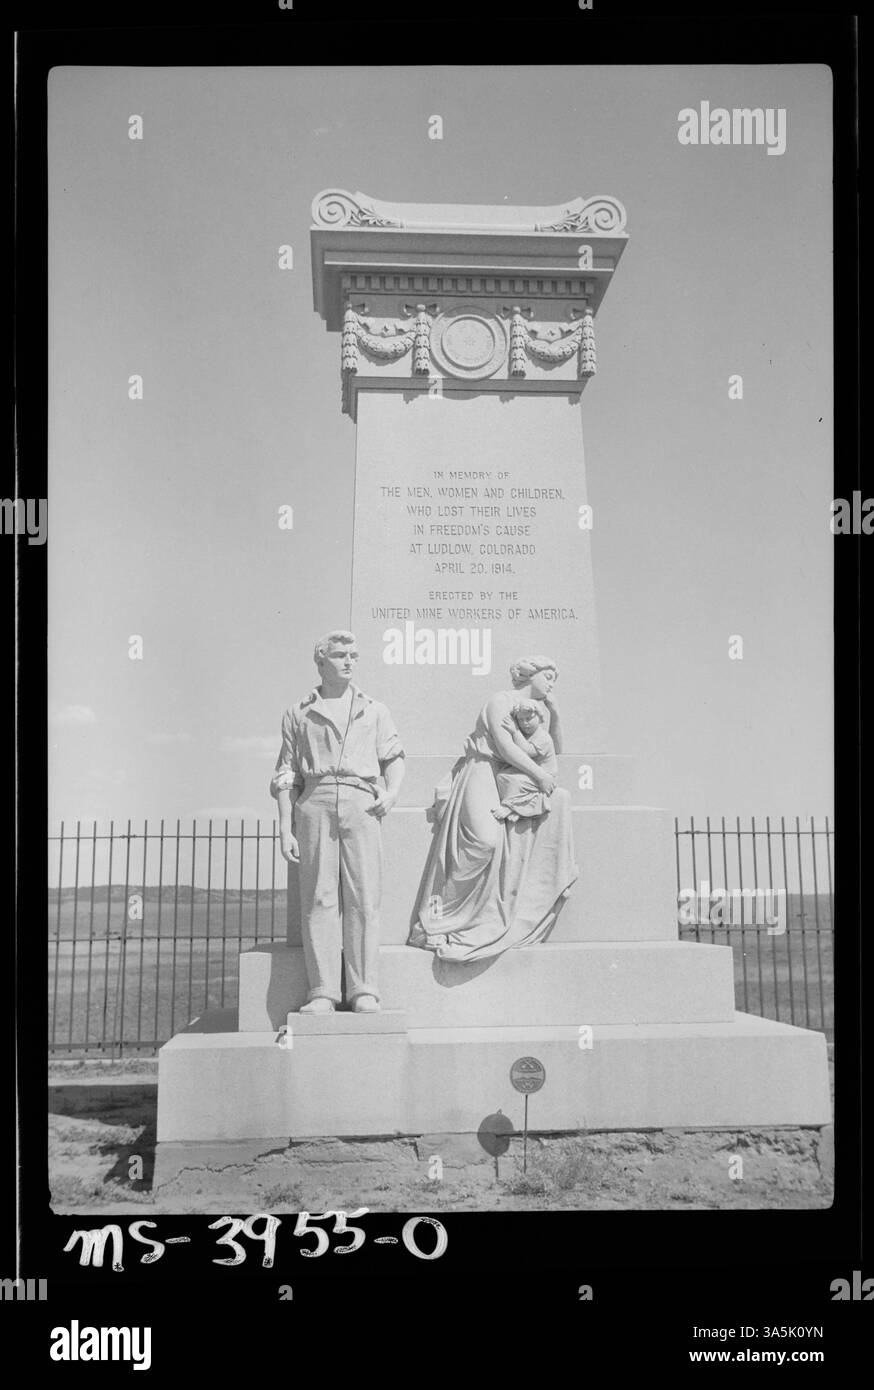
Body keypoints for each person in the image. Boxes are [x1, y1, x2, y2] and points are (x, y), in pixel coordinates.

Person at [409, 655, 578, 962]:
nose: (552, 684)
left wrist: (555, 713)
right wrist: (539, 774)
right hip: (484, 768)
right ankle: (438, 919)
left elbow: (555, 750)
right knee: (484, 842)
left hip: (514, 777)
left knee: (558, 801)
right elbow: (504, 747)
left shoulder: (539, 710)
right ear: (531, 674)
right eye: (548, 676)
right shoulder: (500, 701)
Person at [270, 630, 405, 1013]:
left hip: (361, 801)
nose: (349, 661)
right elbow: (285, 774)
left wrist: (391, 793)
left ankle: (364, 990)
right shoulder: (298, 712)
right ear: (321, 660)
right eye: (341, 655)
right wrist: (284, 828)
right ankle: (324, 991)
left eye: (353, 655)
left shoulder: (375, 709)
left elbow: (394, 756)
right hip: (314, 800)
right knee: (320, 899)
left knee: (364, 898)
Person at [491, 699, 557, 823]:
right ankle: (520, 809)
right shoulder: (527, 735)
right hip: (529, 773)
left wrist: (515, 731)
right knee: (503, 776)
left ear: (539, 717)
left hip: (546, 775)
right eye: (520, 720)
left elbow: (527, 751)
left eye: (528, 719)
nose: (525, 723)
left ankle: (511, 807)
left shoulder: (544, 737)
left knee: (513, 781)